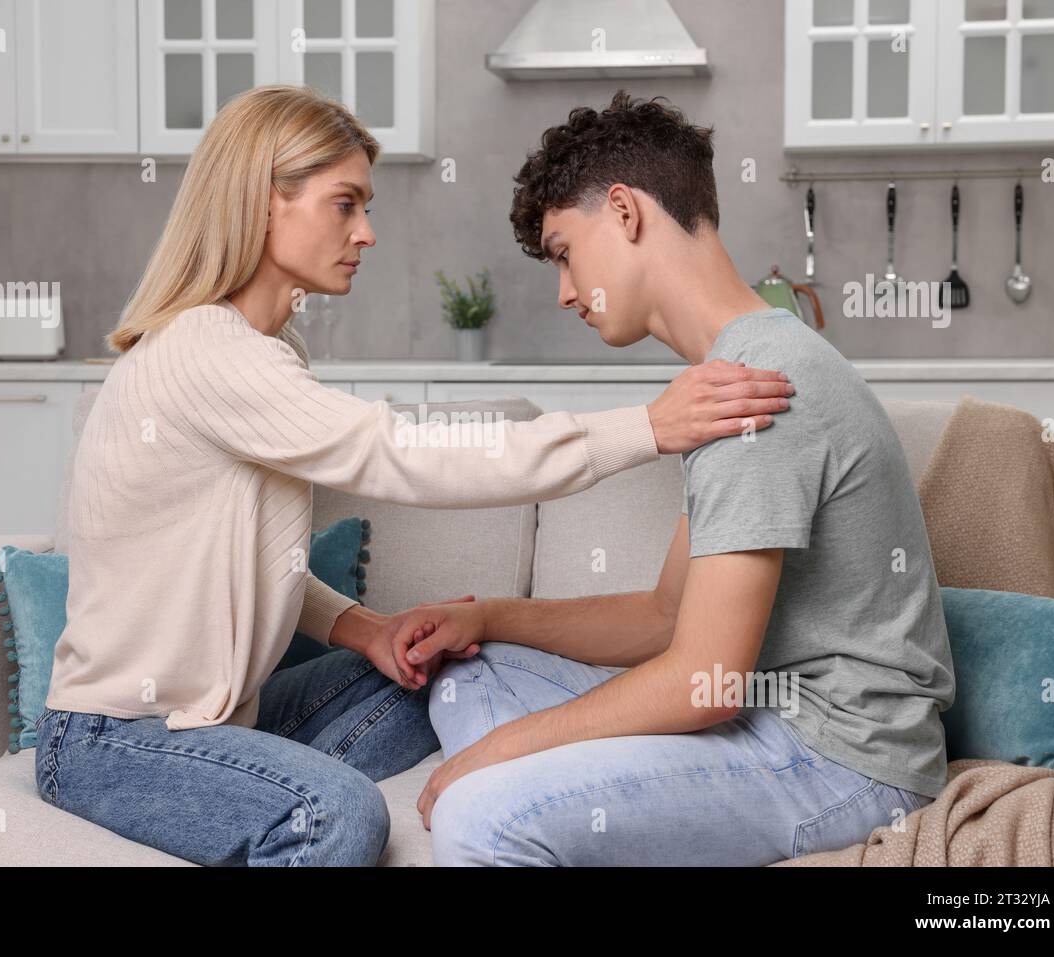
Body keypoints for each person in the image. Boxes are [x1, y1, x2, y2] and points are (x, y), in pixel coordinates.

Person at [33, 85, 796, 866]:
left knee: (436, 671)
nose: (365, 232)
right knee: (339, 817)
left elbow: (251, 559)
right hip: (117, 738)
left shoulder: (272, 351)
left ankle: (252, 798)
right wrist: (647, 427)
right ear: (264, 202)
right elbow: (402, 451)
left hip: (225, 720)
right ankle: (280, 805)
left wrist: (367, 630)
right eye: (345, 204)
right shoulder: (206, 352)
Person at [397, 90, 956, 866]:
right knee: (468, 673)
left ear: (625, 213)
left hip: (844, 761)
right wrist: (488, 616)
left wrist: (493, 757)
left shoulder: (760, 388)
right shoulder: (729, 377)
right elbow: (667, 619)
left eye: (564, 252)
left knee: (481, 817)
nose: (564, 291)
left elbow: (708, 682)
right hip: (762, 717)